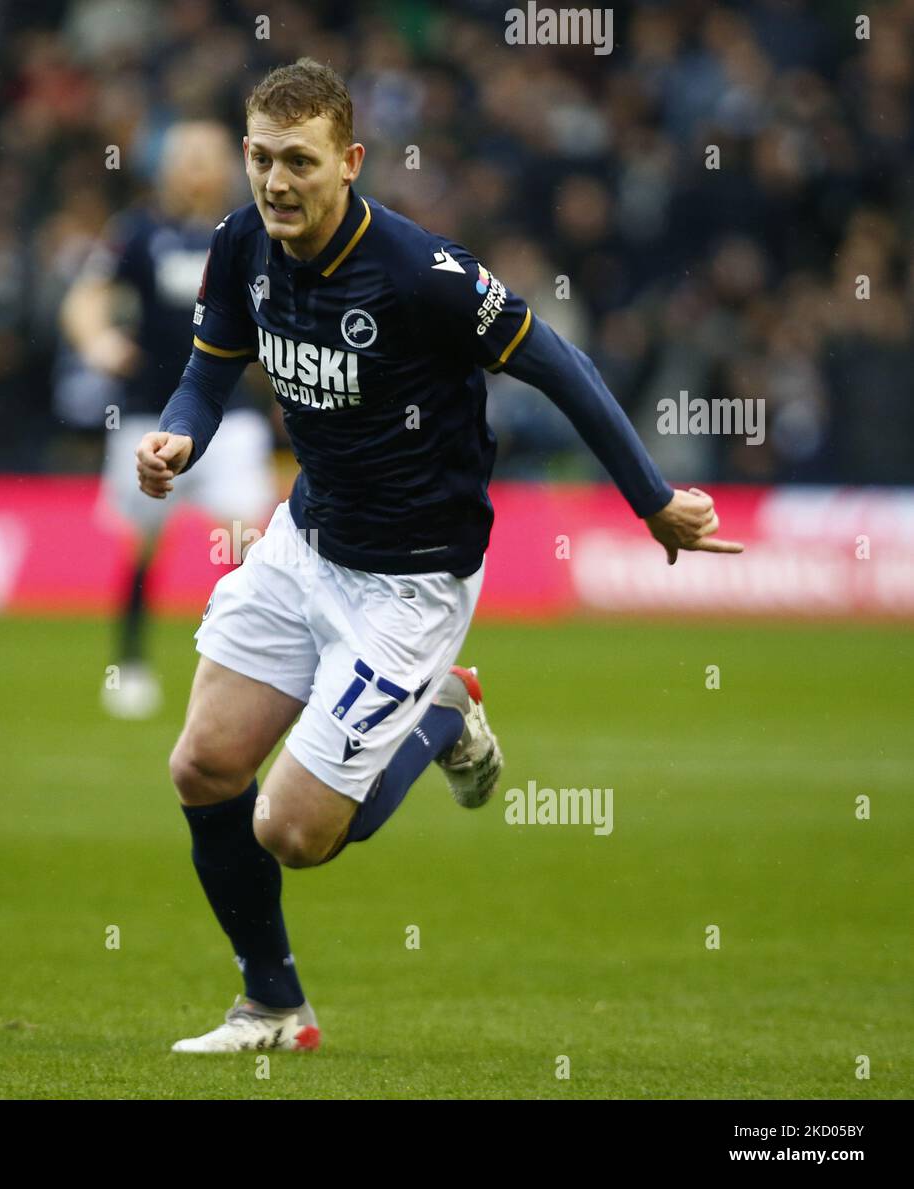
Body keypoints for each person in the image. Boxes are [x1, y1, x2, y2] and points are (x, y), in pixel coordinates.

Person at [136, 60, 743, 1053]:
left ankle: (442, 710)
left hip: (410, 580)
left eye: (298, 161)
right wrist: (176, 438)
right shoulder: (243, 240)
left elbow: (560, 363)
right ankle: (273, 1007)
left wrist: (651, 500)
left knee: (292, 834)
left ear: (350, 162)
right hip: (304, 542)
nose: (274, 182)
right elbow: (205, 378)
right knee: (202, 764)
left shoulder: (420, 275)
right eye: (259, 158)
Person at [61, 120, 274, 718]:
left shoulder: (249, 232)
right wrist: (96, 340)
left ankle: (245, 666)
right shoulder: (138, 233)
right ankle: (129, 663)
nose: (195, 169)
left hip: (230, 416)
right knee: (146, 542)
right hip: (148, 411)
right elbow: (86, 296)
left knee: (244, 541)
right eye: (185, 157)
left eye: (206, 157)